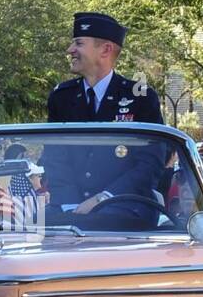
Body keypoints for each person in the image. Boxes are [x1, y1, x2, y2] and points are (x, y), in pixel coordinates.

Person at [44, 12, 166, 230]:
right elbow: (54, 157)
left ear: (106, 50)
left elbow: (150, 164)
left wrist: (105, 198)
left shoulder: (141, 97)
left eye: (79, 43)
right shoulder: (62, 97)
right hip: (69, 208)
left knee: (106, 223)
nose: (70, 50)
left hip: (124, 207)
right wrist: (71, 204)